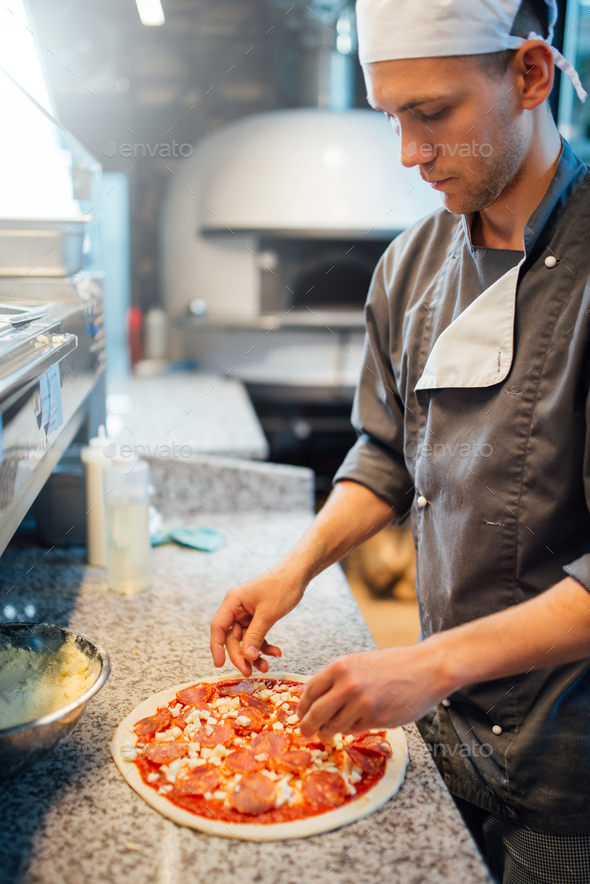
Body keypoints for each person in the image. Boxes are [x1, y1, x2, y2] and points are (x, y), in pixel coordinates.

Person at [210, 0, 590, 880]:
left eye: (433, 113)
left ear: (530, 75)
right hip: (443, 725)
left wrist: (427, 663)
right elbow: (386, 456)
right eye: (393, 117)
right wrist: (293, 568)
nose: (411, 154)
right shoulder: (411, 265)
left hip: (566, 773)